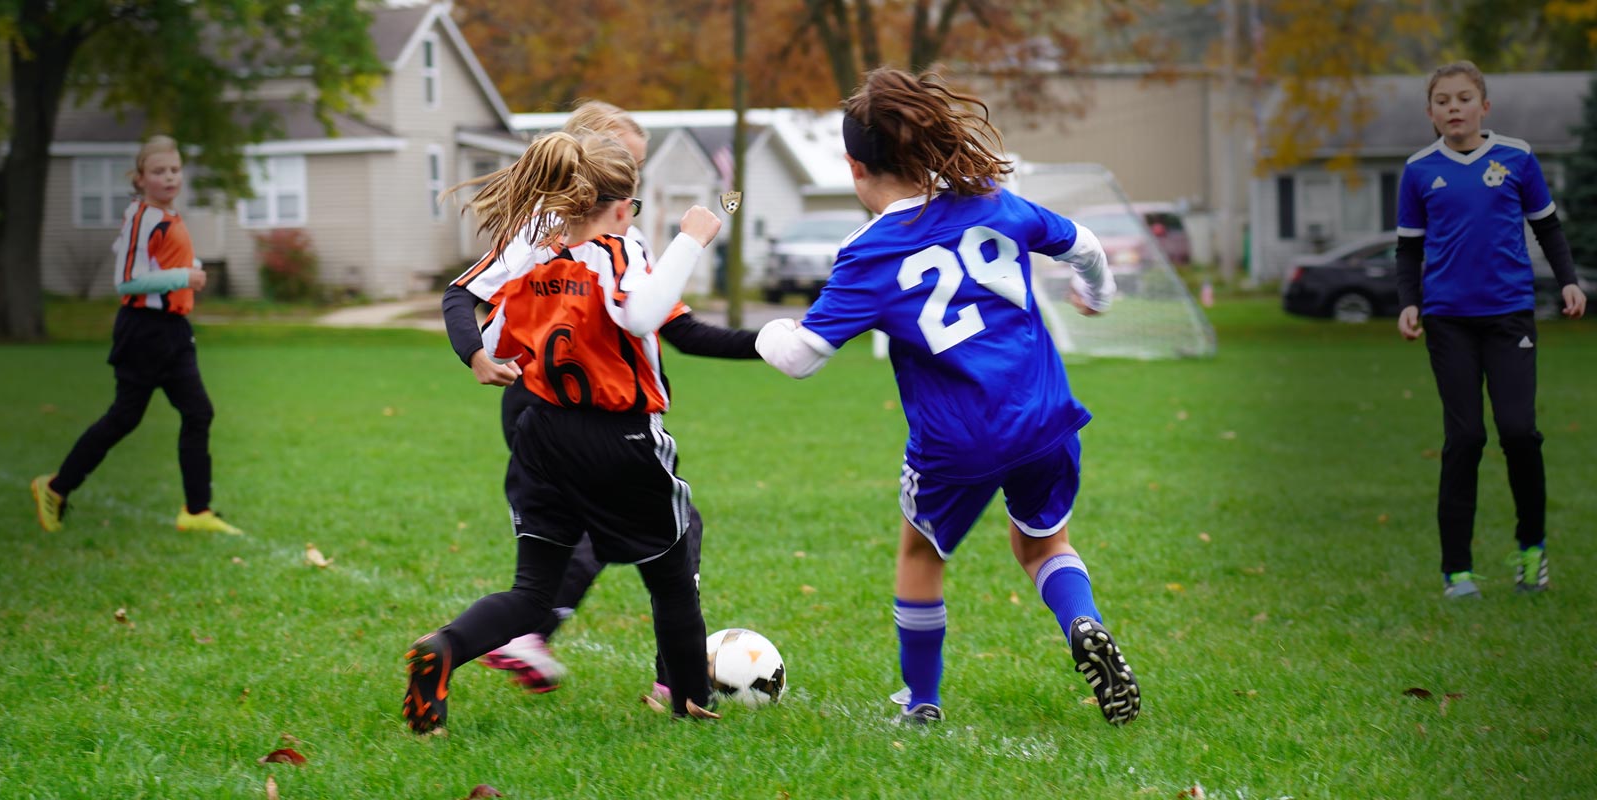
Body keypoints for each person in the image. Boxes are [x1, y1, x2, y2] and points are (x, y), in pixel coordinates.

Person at [753, 68, 1139, 726]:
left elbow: (797, 359)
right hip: (1044, 417)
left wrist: (769, 330)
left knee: (921, 553)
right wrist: (1096, 296)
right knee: (1043, 546)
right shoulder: (995, 202)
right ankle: (1083, 623)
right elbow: (1088, 246)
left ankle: (921, 703)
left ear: (856, 167)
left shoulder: (868, 252)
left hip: (957, 440)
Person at [403, 132, 725, 735]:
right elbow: (644, 315)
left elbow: (493, 337)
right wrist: (692, 238)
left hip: (540, 435)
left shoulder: (540, 260)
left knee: (532, 593)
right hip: (615, 437)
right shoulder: (615, 251)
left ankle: (444, 650)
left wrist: (480, 357)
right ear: (624, 207)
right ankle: (690, 699)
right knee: (673, 573)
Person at [1394, 60, 1584, 599]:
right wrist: (1409, 304)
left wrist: (1568, 282)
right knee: (1466, 438)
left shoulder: (1517, 157)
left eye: (1463, 98)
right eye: (1442, 101)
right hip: (1449, 321)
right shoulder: (1418, 169)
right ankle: (1457, 571)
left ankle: (1532, 550)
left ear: (1484, 106)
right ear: (1430, 113)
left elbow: (1547, 226)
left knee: (1519, 432)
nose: (1453, 109)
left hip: (1509, 317)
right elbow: (1408, 248)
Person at [31, 135, 242, 536]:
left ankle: (196, 512)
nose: (169, 178)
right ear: (141, 178)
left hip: (174, 332)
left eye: (175, 170)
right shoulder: (141, 217)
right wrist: (183, 276)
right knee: (124, 418)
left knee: (198, 413)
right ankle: (56, 488)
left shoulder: (168, 216)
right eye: (159, 171)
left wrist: (188, 267)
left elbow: (160, 262)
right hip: (143, 333)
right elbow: (126, 281)